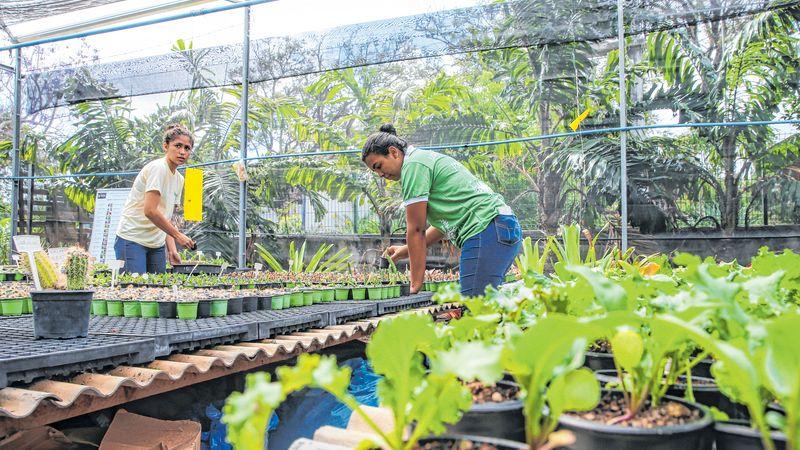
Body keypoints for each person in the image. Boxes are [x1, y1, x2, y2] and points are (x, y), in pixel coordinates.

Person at [362, 124, 522, 296]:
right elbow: (441, 226)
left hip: (486, 230)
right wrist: (406, 250)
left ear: (394, 152)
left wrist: (415, 284)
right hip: (502, 228)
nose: (379, 174)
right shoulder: (423, 159)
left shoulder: (413, 166)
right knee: (485, 304)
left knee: (473, 306)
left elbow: (416, 229)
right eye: (374, 171)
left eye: (378, 166)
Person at [114, 124, 196, 273]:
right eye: (178, 146)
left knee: (157, 290)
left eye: (187, 148)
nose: (182, 152)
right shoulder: (158, 168)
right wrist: (178, 235)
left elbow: (166, 217)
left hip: (156, 244)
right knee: (134, 290)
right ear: (165, 146)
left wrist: (172, 250)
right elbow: (150, 211)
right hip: (132, 239)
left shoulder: (179, 179)